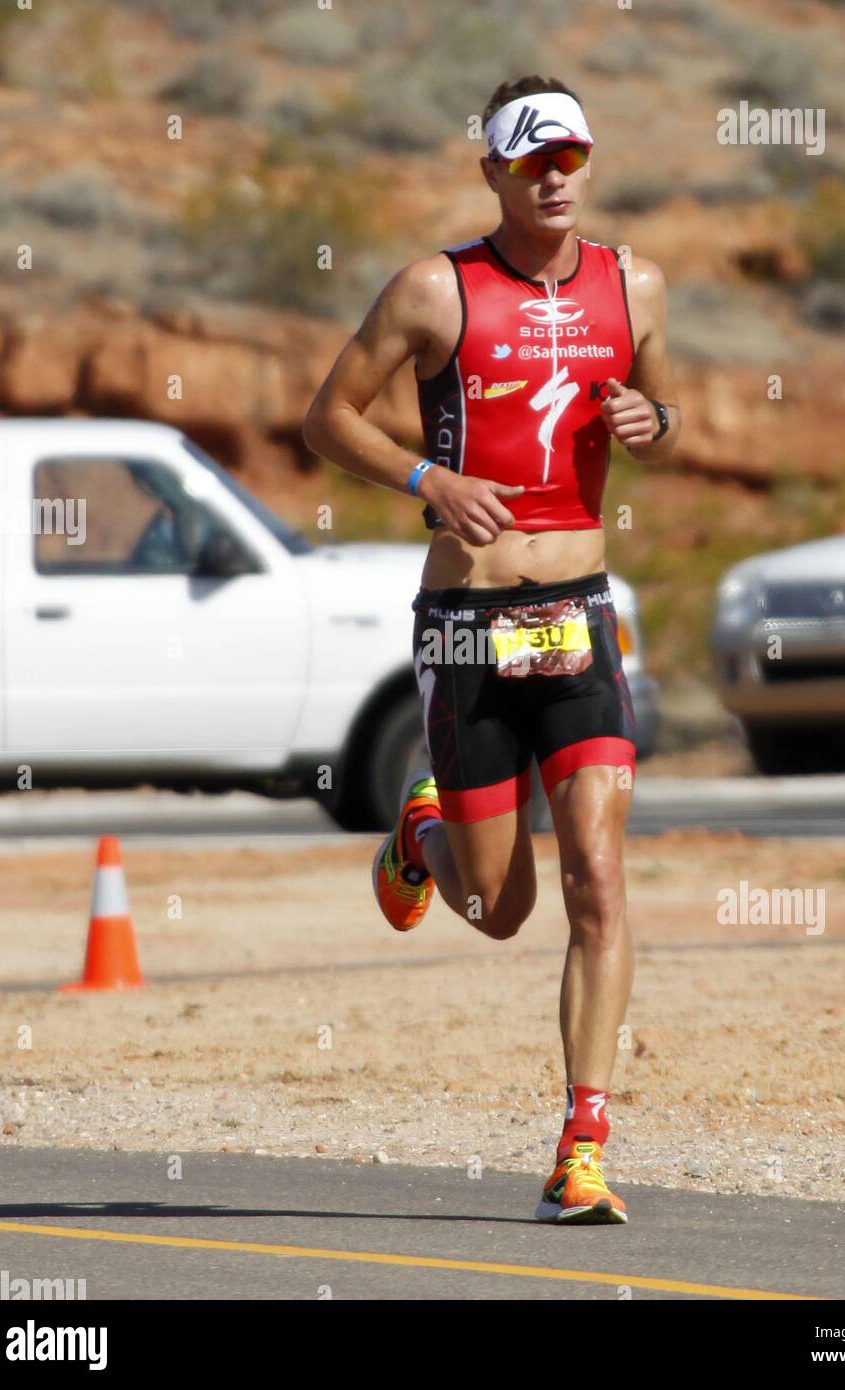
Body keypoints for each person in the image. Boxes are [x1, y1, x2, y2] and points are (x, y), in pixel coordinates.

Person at [304, 74, 680, 1224]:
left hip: (577, 611)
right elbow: (326, 417)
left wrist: (649, 425)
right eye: (531, 161)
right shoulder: (435, 290)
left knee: (598, 882)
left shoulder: (635, 284)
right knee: (501, 905)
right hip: (468, 619)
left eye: (569, 155)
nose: (555, 176)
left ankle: (583, 1144)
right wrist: (430, 477)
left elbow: (662, 426)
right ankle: (423, 828)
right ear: (493, 175)